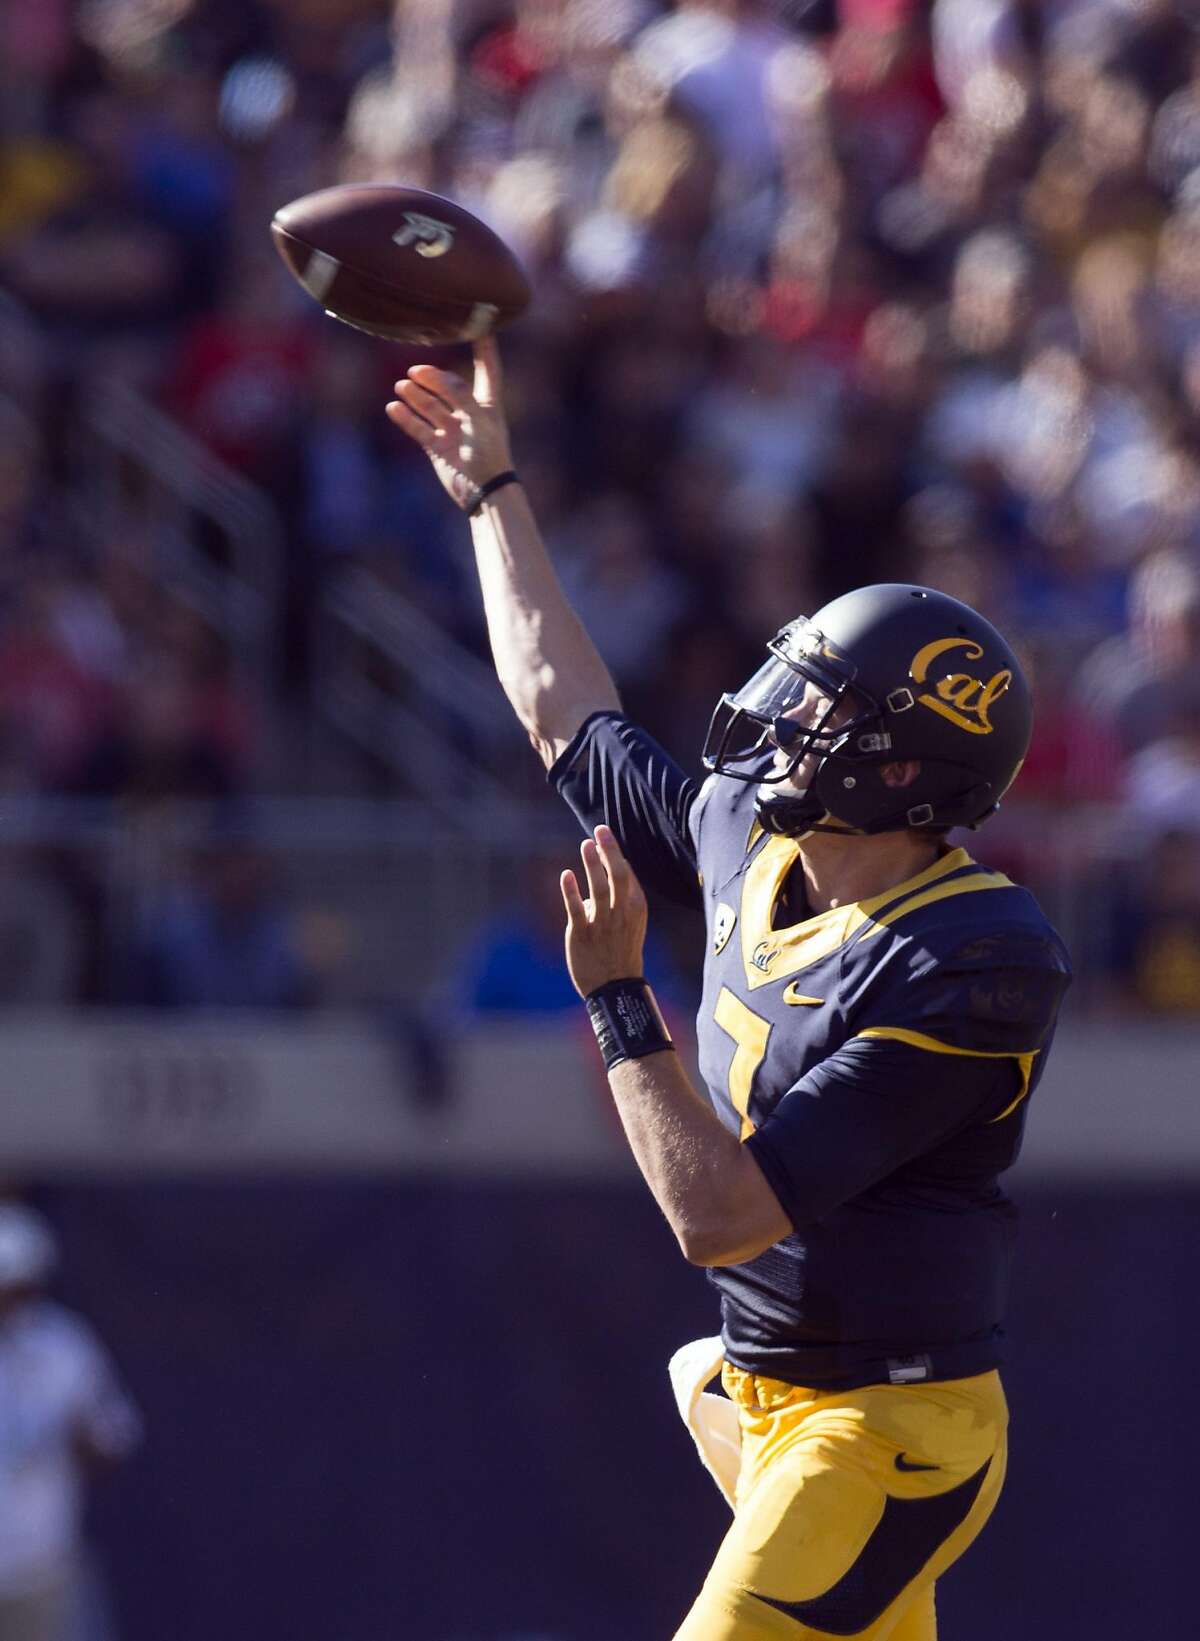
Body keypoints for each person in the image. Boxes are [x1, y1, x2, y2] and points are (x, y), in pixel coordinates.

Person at [385, 341, 1071, 1641]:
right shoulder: (749, 833)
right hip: (761, 1396)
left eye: (825, 707)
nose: (779, 717)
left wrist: (617, 999)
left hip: (890, 1426)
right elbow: (560, 708)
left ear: (900, 770)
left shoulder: (969, 957)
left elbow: (723, 1218)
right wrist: (491, 495)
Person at [0, 1203, 141, 1641]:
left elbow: (113, 1435)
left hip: (39, 1558)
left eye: (16, 1289)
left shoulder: (63, 1347)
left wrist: (80, 1438)